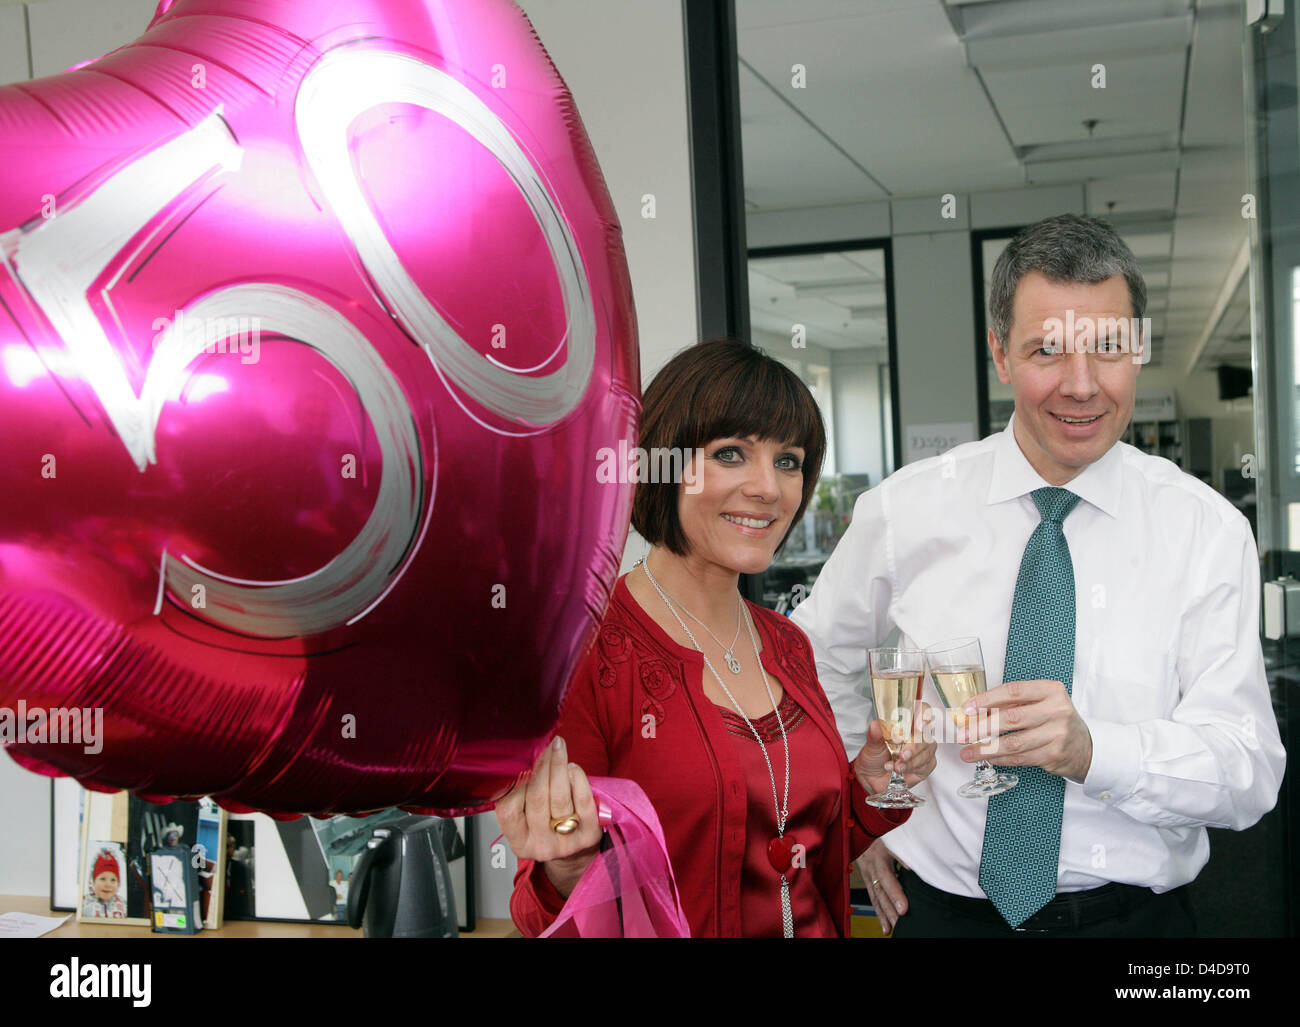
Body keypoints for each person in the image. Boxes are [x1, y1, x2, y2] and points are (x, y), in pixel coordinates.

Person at [791, 213, 1286, 937]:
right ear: (999, 353)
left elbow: (1248, 772)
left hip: (1136, 926)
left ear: (1138, 349)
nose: (1081, 386)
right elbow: (806, 665)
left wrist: (1095, 750)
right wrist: (858, 812)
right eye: (1047, 350)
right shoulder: (903, 511)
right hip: (942, 918)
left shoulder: (1205, 531)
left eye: (1108, 349)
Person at [496, 339, 937, 937]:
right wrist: (568, 867)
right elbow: (537, 909)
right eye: (731, 454)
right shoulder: (584, 654)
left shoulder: (787, 644)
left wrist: (867, 789)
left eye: (789, 461)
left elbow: (799, 849)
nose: (768, 488)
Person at [83, 848, 127, 919]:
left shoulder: (123, 905)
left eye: (113, 880)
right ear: (93, 881)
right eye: (102, 879)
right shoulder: (84, 904)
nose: (108, 884)